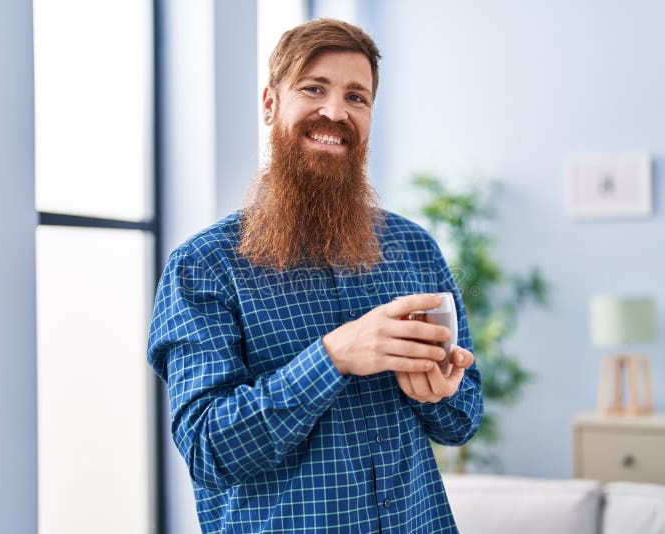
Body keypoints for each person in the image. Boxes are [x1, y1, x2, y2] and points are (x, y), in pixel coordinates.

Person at [148, 18, 483, 533]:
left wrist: (440, 392)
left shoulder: (415, 248)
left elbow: (464, 419)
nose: (335, 111)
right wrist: (334, 356)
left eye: (357, 97)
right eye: (313, 88)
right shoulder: (204, 266)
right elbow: (207, 449)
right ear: (270, 103)